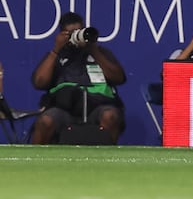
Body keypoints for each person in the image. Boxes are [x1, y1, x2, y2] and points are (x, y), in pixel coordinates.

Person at [31, 12, 126, 145]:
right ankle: (35, 161)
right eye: (71, 34)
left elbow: (119, 78)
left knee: (110, 116)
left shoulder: (100, 53)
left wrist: (93, 50)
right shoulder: (57, 56)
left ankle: (108, 159)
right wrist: (56, 51)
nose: (76, 37)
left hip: (97, 107)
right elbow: (39, 82)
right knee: (46, 121)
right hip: (64, 109)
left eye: (79, 32)